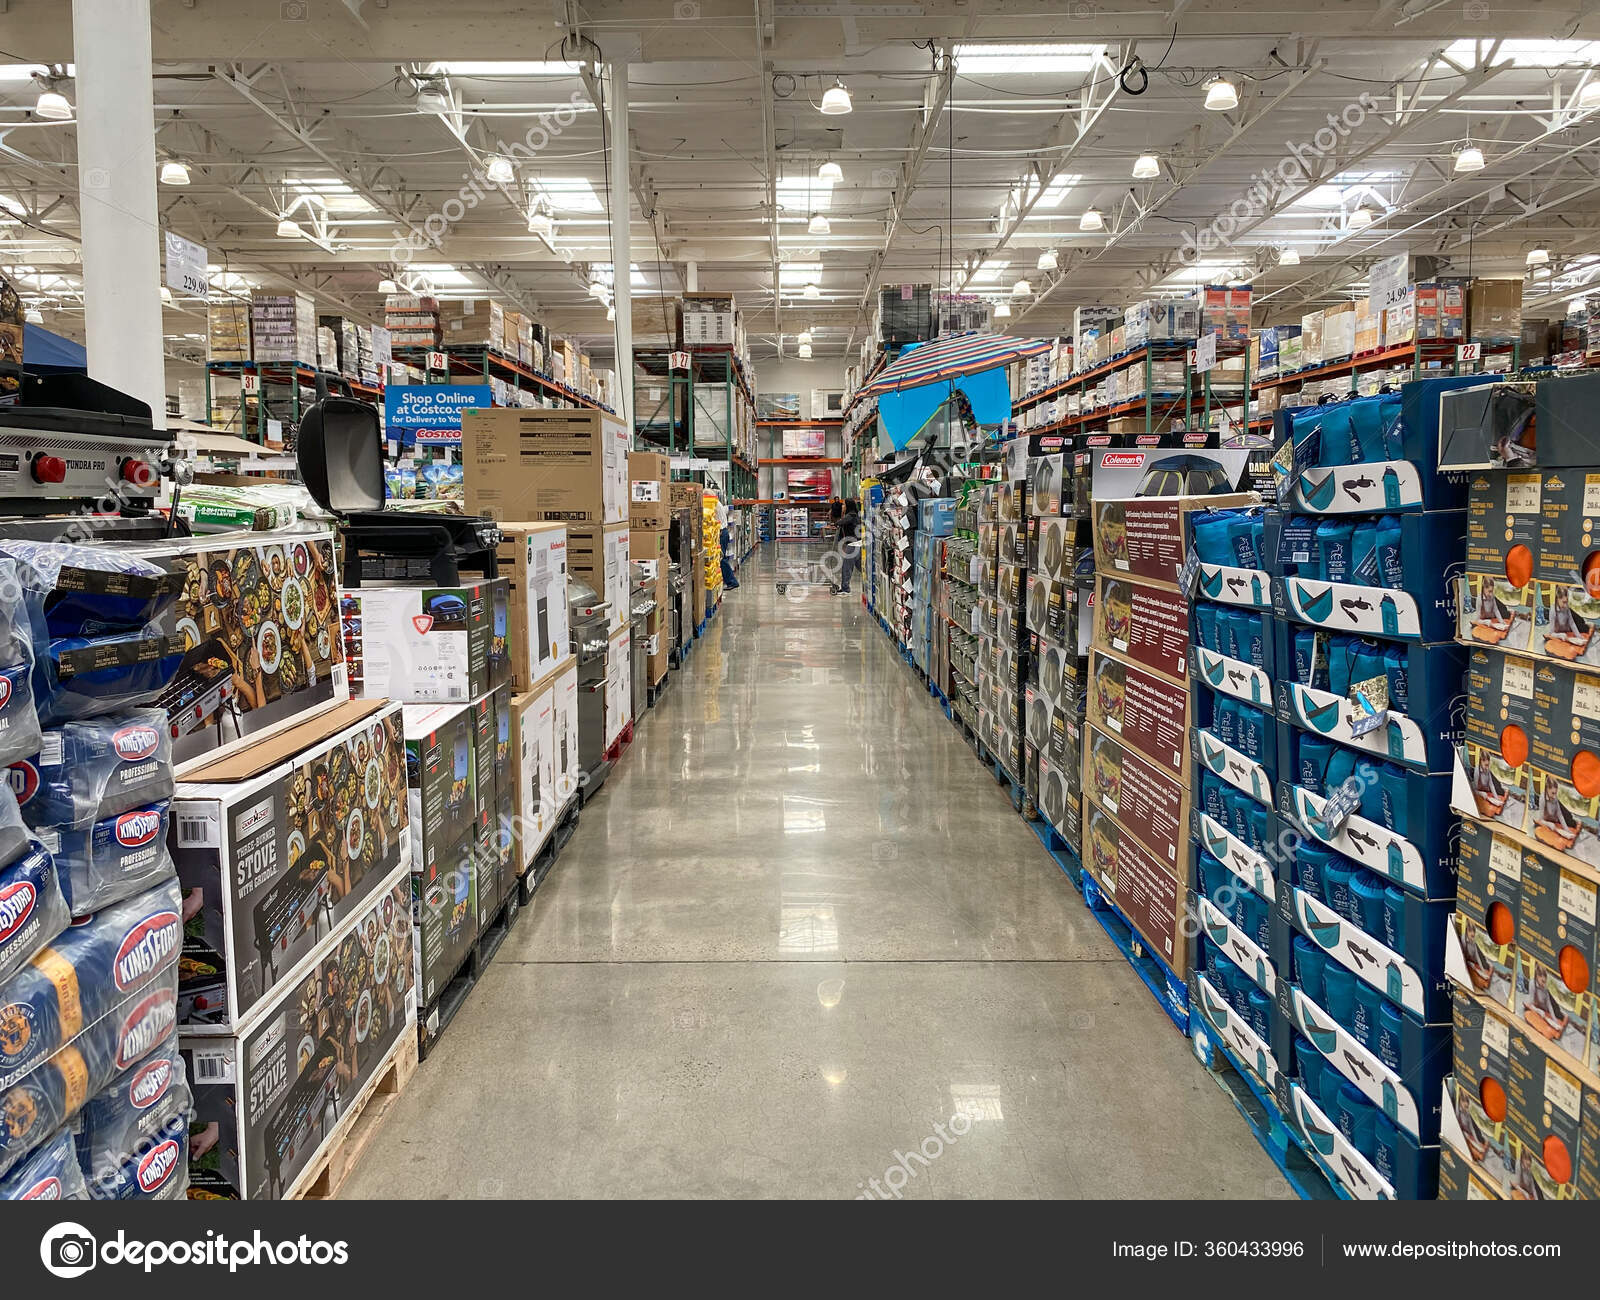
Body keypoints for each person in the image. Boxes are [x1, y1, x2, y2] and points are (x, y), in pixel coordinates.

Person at [836, 499, 862, 595]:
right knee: (860, 566)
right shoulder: (855, 514)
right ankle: (874, 581)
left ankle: (845, 588)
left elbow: (841, 522)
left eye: (843, 505)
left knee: (847, 567)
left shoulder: (851, 515)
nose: (842, 506)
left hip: (852, 545)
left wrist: (837, 523)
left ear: (847, 505)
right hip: (857, 544)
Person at [716, 493, 739, 589]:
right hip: (723, 532)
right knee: (721, 558)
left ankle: (732, 582)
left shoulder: (712, 504)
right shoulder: (717, 503)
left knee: (721, 558)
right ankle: (728, 581)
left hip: (721, 533)